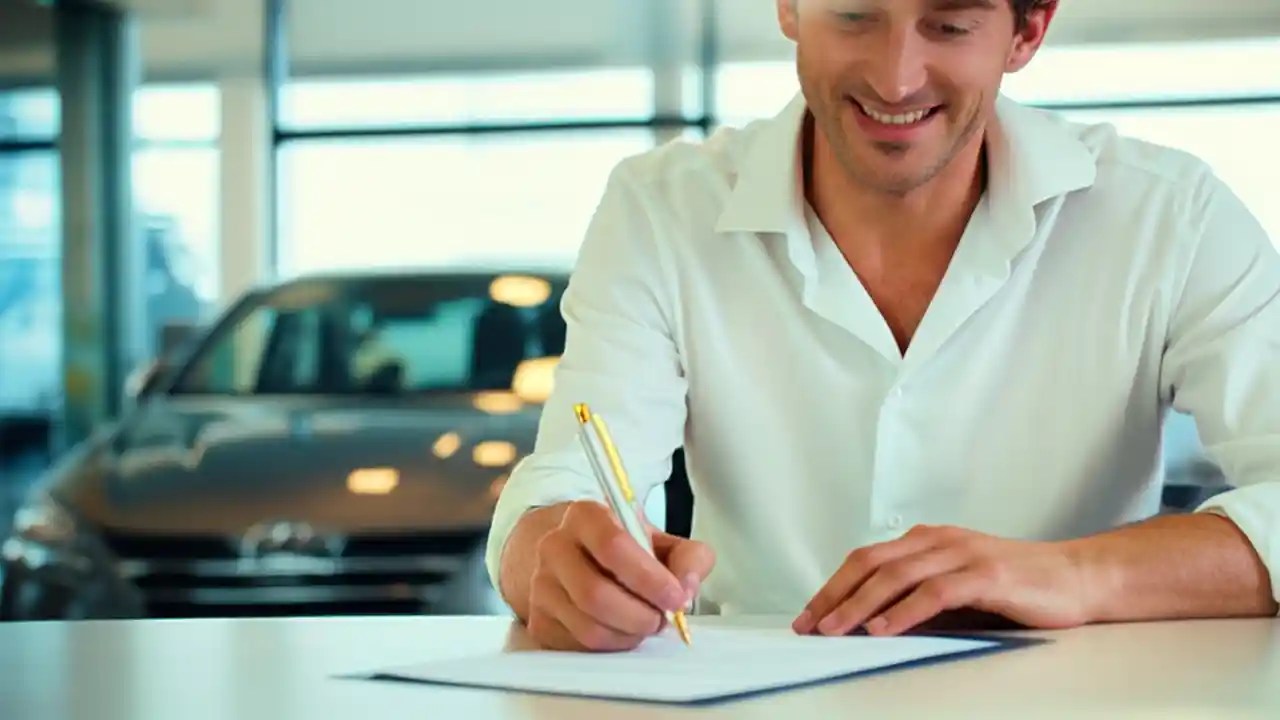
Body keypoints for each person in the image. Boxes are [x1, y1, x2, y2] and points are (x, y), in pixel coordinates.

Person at [486, 0, 1280, 652]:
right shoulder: (660, 209)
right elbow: (570, 482)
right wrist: (546, 554)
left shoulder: (1169, 216)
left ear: (1027, 31)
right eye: (856, 16)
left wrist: (1068, 575)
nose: (895, 78)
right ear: (790, 8)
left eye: (949, 25)